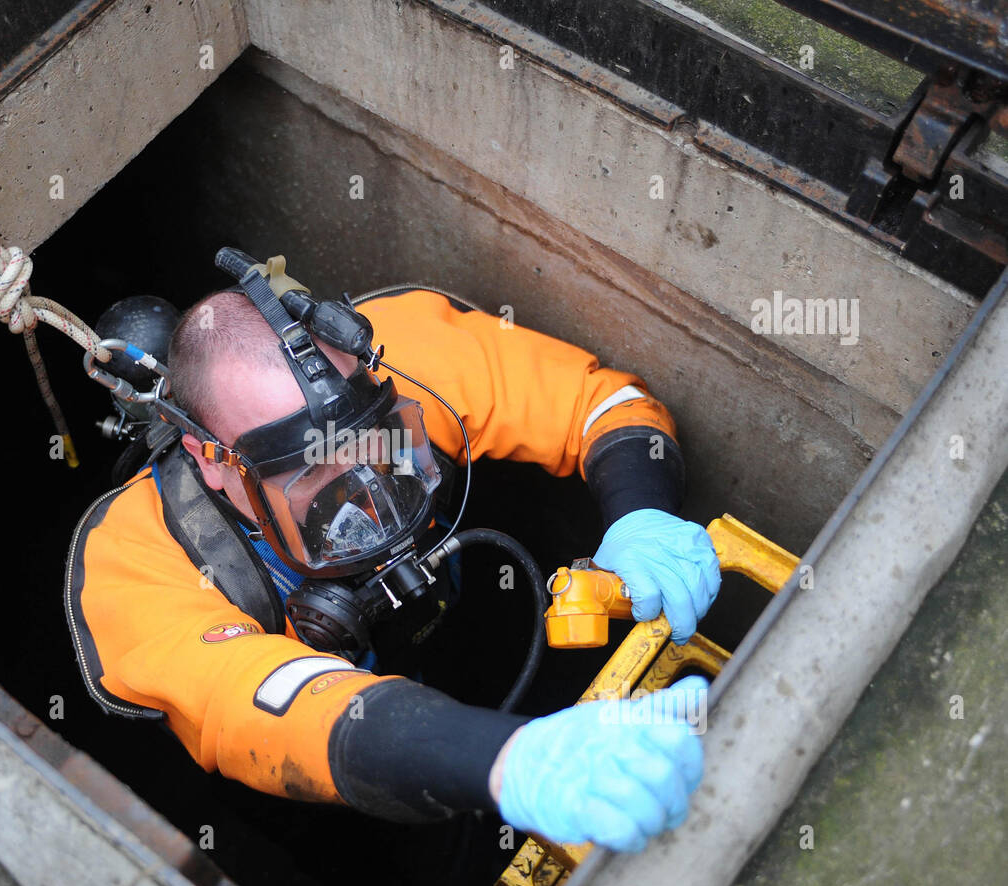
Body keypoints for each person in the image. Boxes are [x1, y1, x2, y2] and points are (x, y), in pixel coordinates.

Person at [66, 275, 719, 854]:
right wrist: (511, 760)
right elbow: (269, 710)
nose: (360, 486)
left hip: (461, 633)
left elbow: (597, 403)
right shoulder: (132, 560)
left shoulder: (406, 354)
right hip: (356, 782)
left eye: (368, 436)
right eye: (307, 468)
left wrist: (641, 514)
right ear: (210, 456)